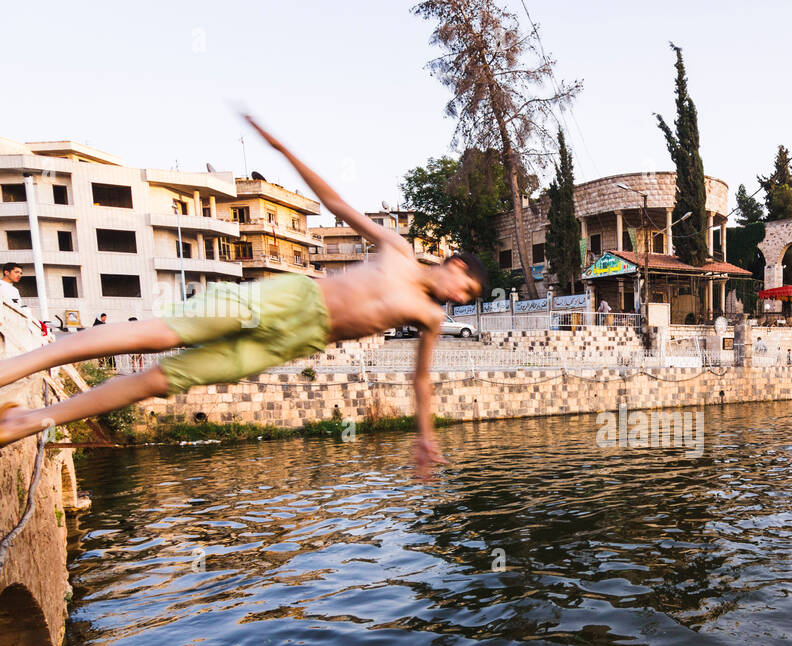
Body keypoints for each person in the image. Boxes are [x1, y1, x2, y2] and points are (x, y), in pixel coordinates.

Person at [0, 113, 487, 477]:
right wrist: (284, 151)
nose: (459, 299)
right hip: (287, 300)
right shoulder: (397, 249)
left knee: (159, 381)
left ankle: (31, 420)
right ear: (456, 265)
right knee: (158, 336)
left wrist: (425, 438)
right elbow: (337, 202)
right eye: (465, 288)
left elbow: (421, 381)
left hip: (292, 342)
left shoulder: (430, 318)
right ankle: (12, 369)